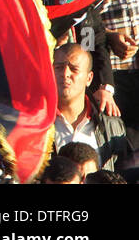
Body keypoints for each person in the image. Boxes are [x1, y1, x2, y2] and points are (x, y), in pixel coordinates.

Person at [53, 43, 130, 171]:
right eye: (58, 67)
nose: (65, 73)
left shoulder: (111, 127)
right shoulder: (36, 125)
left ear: (89, 78)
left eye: (74, 69)